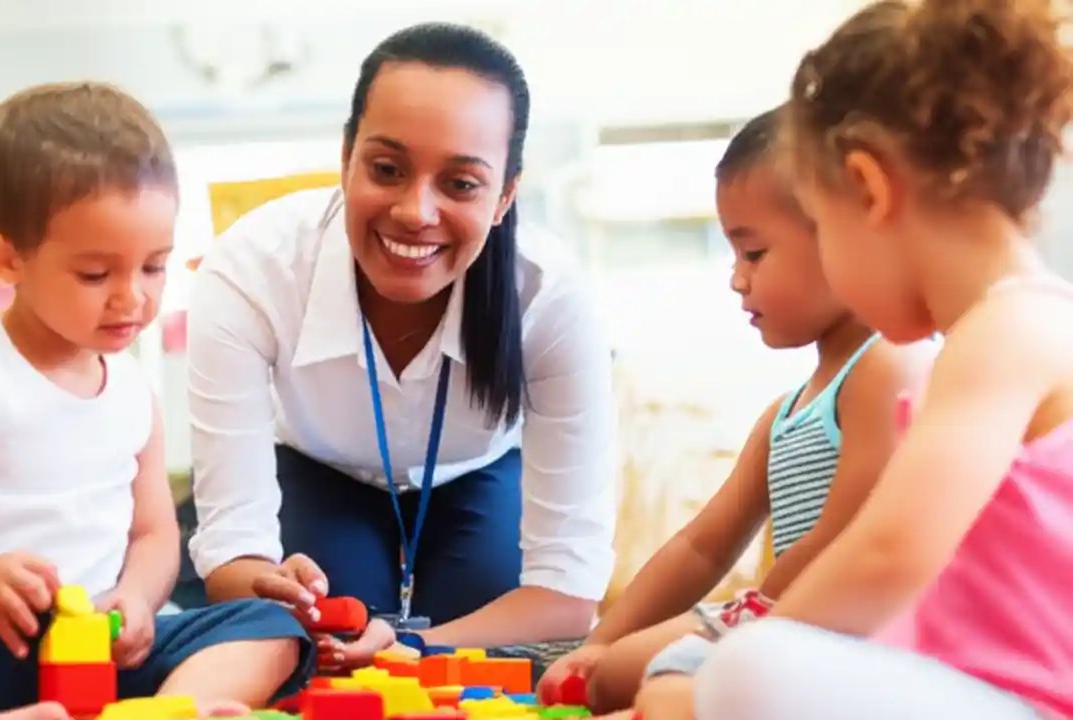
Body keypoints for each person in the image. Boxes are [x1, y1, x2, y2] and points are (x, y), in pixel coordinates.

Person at [608, 1, 1073, 719]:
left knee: (742, 667)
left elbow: (887, 556)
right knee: (700, 673)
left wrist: (733, 660)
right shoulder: (1018, 323)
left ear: (868, 188)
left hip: (1025, 703)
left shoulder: (1004, 331)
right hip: (982, 683)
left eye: (822, 227)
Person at [0, 82, 312, 720]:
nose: (133, 298)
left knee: (271, 626)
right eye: (96, 274)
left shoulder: (131, 392)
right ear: (6, 258)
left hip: (96, 649)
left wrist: (138, 600)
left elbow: (153, 532)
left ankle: (167, 711)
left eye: (153, 267)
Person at [186, 22, 616, 666]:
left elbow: (567, 592)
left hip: (476, 475)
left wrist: (414, 647)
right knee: (316, 630)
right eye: (387, 169)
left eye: (462, 184)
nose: (416, 211)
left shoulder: (549, 297)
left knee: (492, 641)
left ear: (505, 195)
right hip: (316, 470)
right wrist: (269, 588)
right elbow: (233, 550)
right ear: (345, 159)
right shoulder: (252, 269)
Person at [539, 107, 933, 713]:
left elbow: (848, 537)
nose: (736, 279)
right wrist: (601, 639)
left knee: (628, 679)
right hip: (781, 620)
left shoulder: (890, 365)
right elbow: (701, 546)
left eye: (753, 253)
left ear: (842, 233)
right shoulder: (786, 413)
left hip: (849, 631)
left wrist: (744, 614)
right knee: (608, 672)